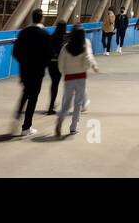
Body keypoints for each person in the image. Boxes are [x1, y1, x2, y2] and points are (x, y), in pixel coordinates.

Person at [10, 8, 53, 137]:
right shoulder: (45, 34)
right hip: (37, 72)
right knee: (33, 98)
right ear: (42, 18)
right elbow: (49, 55)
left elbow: (15, 52)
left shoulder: (24, 33)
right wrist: (42, 65)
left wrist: (24, 62)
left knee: (25, 93)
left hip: (25, 71)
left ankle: (17, 115)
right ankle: (26, 127)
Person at [55, 20, 100, 138]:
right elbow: (89, 58)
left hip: (68, 77)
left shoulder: (65, 47)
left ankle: (60, 120)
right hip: (81, 77)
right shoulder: (85, 45)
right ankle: (73, 127)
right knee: (78, 103)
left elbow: (60, 64)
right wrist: (94, 66)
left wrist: (64, 72)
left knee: (66, 103)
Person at [45, 19, 66, 114]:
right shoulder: (65, 38)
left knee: (53, 83)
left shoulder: (51, 37)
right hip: (59, 64)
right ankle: (51, 106)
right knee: (56, 84)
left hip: (51, 64)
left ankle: (51, 104)